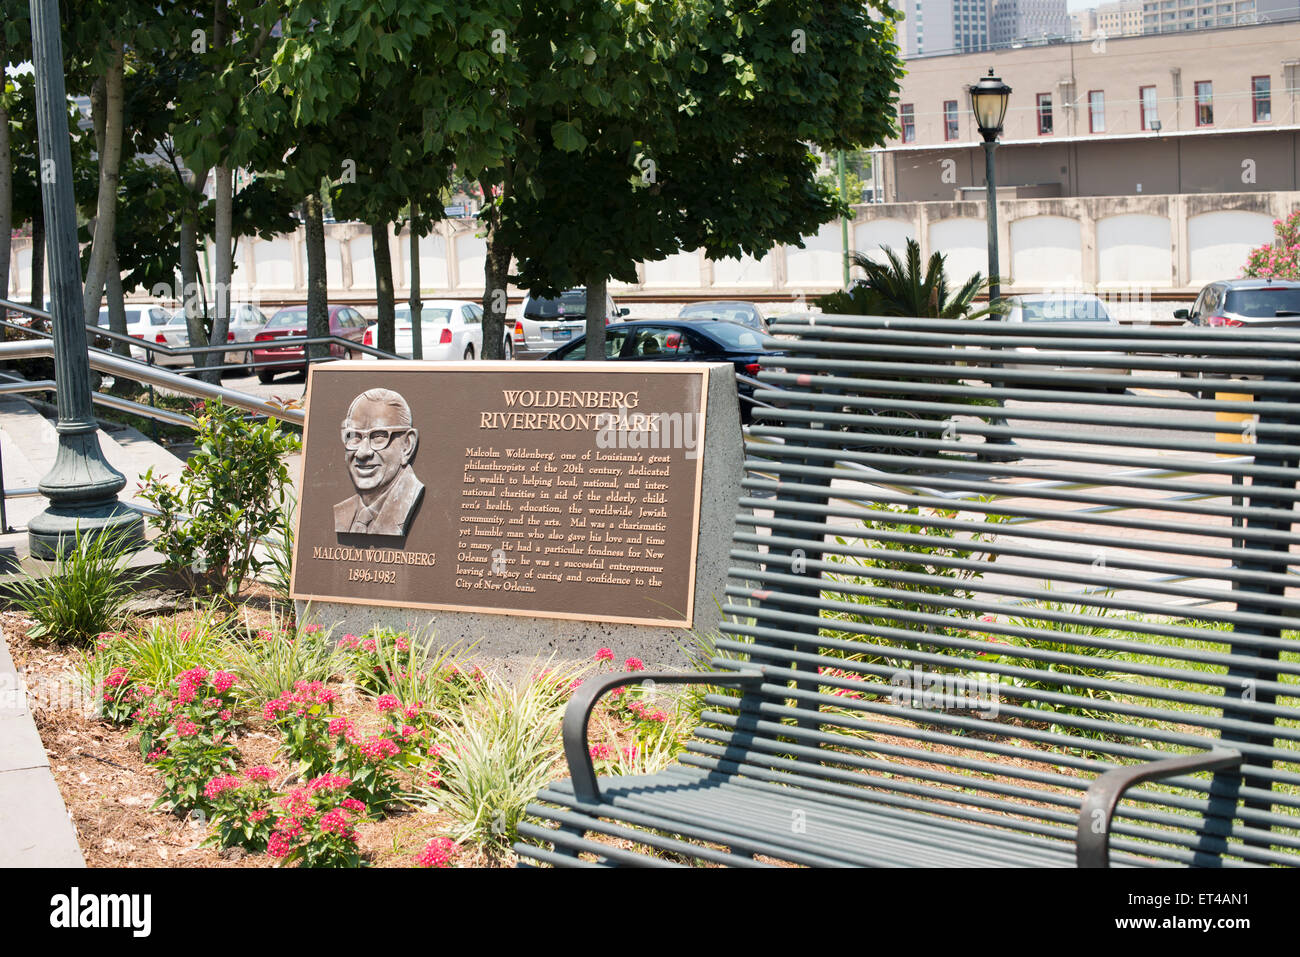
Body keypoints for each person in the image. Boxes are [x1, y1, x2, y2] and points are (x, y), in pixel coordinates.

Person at [333, 388, 425, 537]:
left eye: (378, 437)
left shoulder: (413, 503)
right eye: (354, 436)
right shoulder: (343, 513)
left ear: (407, 445)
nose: (363, 452)